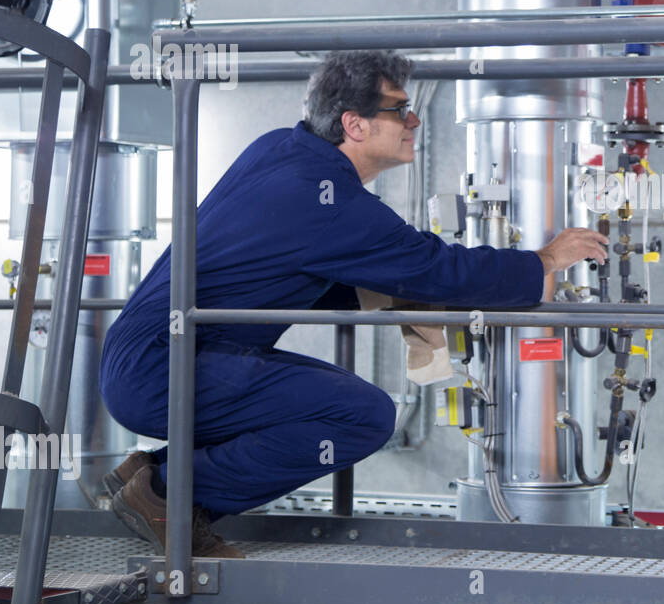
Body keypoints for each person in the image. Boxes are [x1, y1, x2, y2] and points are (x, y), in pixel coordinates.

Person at [98, 51, 608, 557]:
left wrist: (386, 287)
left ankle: (150, 474)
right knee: (361, 415)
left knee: (331, 401)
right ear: (354, 124)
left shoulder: (281, 150)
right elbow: (437, 266)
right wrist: (542, 260)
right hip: (162, 369)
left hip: (154, 355)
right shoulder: (326, 199)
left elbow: (284, 265)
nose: (414, 120)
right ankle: (166, 494)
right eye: (399, 109)